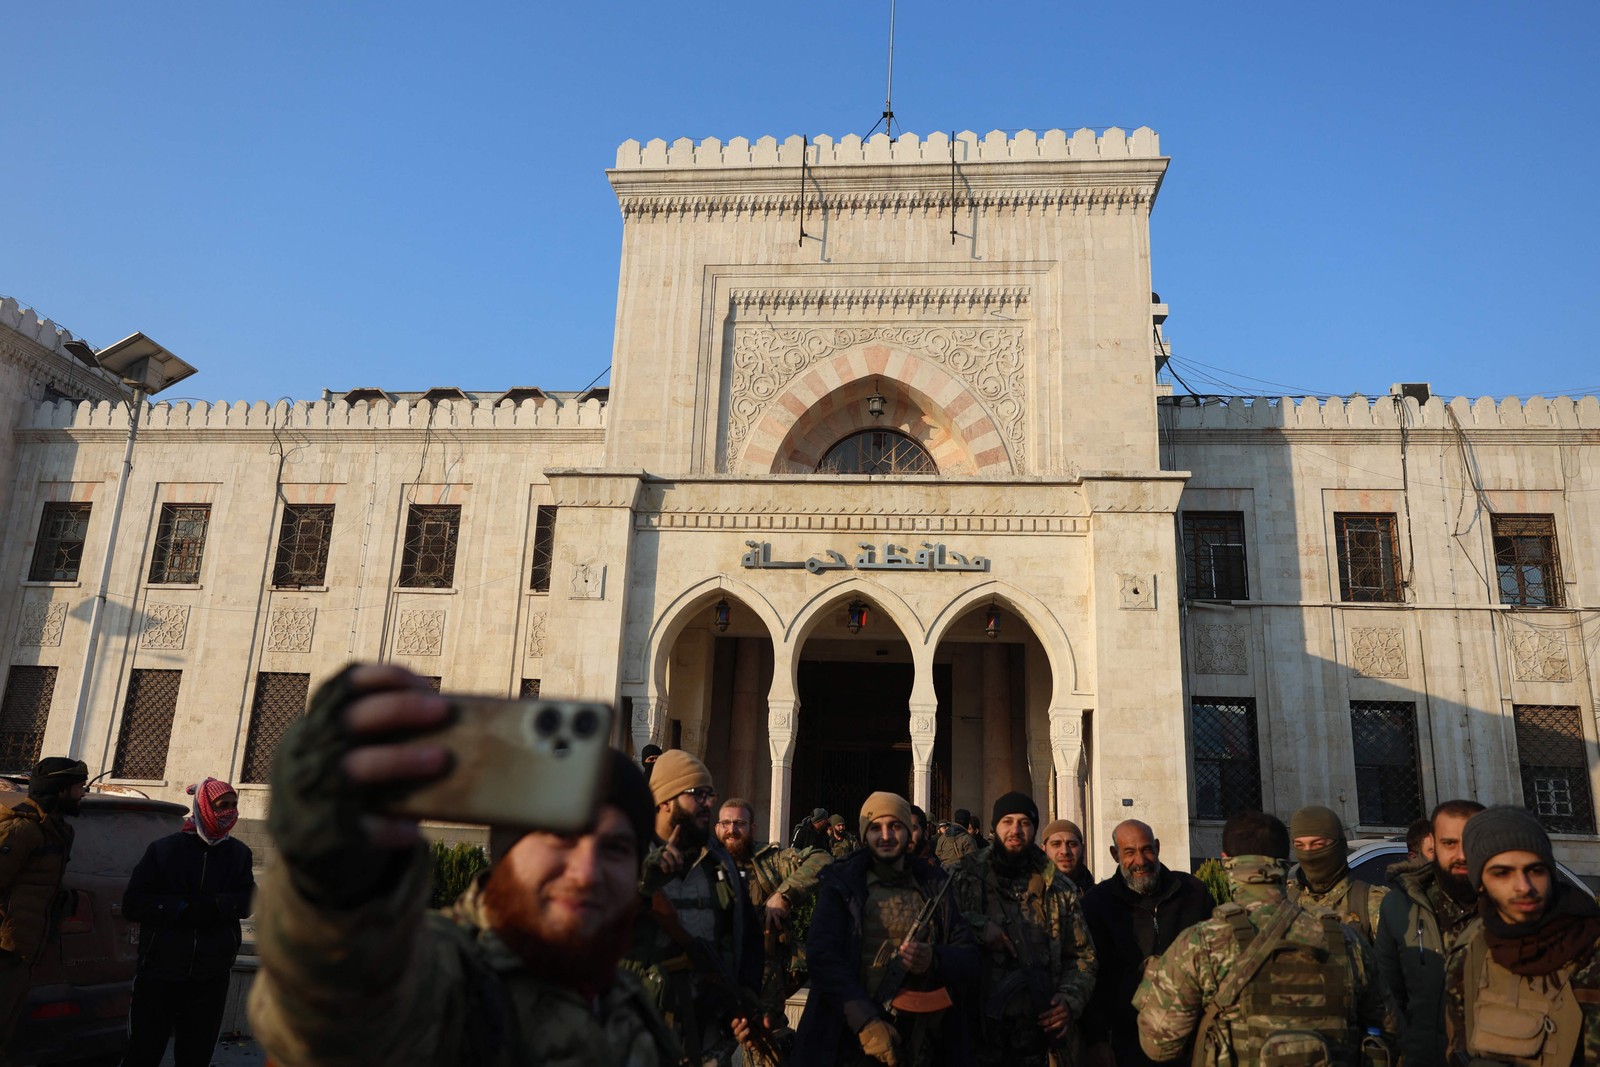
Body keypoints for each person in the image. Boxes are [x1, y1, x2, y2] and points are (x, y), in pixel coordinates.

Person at [247, 664, 681, 1066]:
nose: (586, 872)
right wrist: (336, 882)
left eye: (616, 849)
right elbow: (335, 1006)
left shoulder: (624, 1001)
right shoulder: (447, 977)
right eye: (561, 838)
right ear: (505, 848)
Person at [1134, 810, 1386, 1065]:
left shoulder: (1202, 944)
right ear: (1285, 860)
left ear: (1226, 862)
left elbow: (1159, 1045)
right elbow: (1387, 1029)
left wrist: (1154, 979)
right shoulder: (1344, 940)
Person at [793, 791, 979, 1067]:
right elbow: (822, 957)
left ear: (909, 831)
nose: (886, 835)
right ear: (864, 833)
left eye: (895, 826)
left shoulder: (934, 884)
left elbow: (968, 955)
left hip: (922, 1041)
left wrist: (934, 958)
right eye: (875, 827)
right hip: (847, 1039)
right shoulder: (843, 883)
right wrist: (865, 1021)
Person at [626, 749, 763, 1065]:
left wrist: (746, 998)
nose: (708, 803)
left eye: (709, 794)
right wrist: (646, 884)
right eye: (696, 794)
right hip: (635, 1029)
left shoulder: (719, 863)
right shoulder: (624, 855)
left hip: (706, 1032)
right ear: (664, 801)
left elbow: (748, 936)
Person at [951, 792, 1097, 1067]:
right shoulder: (963, 876)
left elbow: (1083, 957)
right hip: (973, 1033)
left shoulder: (1059, 888)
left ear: (1034, 829)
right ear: (994, 827)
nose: (1015, 830)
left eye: (1024, 823)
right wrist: (980, 927)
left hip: (1037, 1038)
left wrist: (1068, 1001)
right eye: (1007, 821)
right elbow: (940, 930)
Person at [1444, 806, 1600, 1063]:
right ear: (1479, 882)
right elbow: (1459, 1046)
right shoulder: (1474, 952)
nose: (1524, 887)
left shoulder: (1590, 948)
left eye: (1535, 870)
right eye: (1502, 873)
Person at [121, 777, 255, 1067]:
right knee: (144, 1050)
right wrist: (178, 909)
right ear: (205, 807)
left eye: (234, 805)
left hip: (211, 973)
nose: (230, 811)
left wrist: (217, 906)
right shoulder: (165, 850)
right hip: (160, 970)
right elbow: (134, 903)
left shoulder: (239, 854)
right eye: (222, 806)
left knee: (196, 1054)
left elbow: (248, 900)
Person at [1080, 819, 1213, 1067]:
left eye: (1147, 849)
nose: (1140, 861)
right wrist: (1096, 1040)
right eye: (1129, 852)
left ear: (1158, 848)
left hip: (1190, 1043)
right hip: (1125, 1044)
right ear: (1115, 854)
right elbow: (1089, 976)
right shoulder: (1097, 904)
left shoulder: (1193, 893)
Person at [1374, 799, 1482, 1067]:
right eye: (1449, 844)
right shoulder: (1399, 907)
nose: (1461, 855)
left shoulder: (1514, 908)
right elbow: (1386, 997)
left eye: (1470, 841)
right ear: (1433, 843)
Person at [0, 756, 86, 1054]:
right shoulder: (21, 830)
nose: (83, 793)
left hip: (22, 954)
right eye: (78, 787)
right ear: (60, 791)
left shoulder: (57, 830)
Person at [715, 796, 831, 1015]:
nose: (732, 829)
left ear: (752, 828)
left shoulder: (769, 861)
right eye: (726, 824)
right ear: (717, 828)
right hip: (715, 978)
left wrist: (785, 895)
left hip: (764, 985)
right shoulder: (704, 865)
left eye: (740, 823)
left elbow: (821, 859)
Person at [1286, 803, 1388, 943]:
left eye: (1318, 845)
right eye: (1300, 846)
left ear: (1339, 845)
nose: (1308, 854)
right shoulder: (1285, 898)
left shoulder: (1370, 902)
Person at [1040, 818, 1093, 892]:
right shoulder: (1028, 894)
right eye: (1056, 844)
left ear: (1083, 849)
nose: (1065, 851)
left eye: (1072, 844)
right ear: (1043, 849)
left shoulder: (1099, 896)